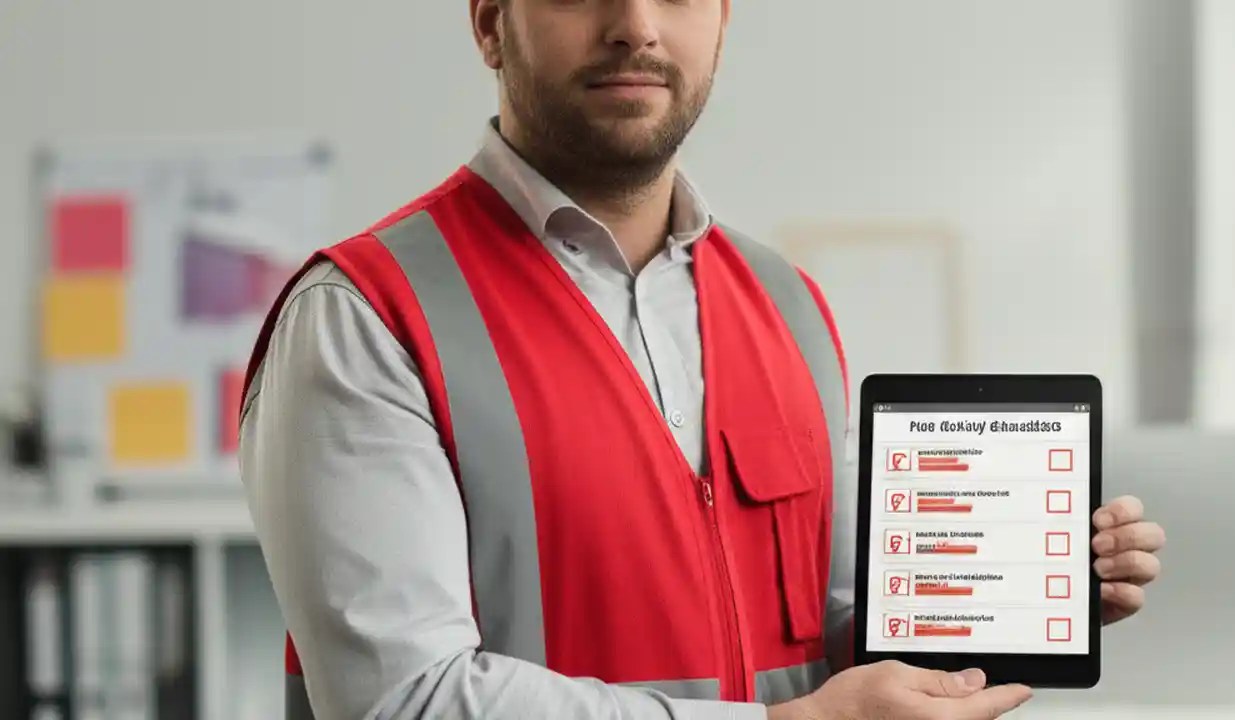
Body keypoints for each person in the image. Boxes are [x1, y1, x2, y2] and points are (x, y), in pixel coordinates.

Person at [238, 1, 1167, 718]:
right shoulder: (364, 314)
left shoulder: (787, 304)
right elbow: (406, 700)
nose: (634, 27)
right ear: (490, 23)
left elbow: (839, 636)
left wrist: (1009, 600)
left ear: (721, 21)